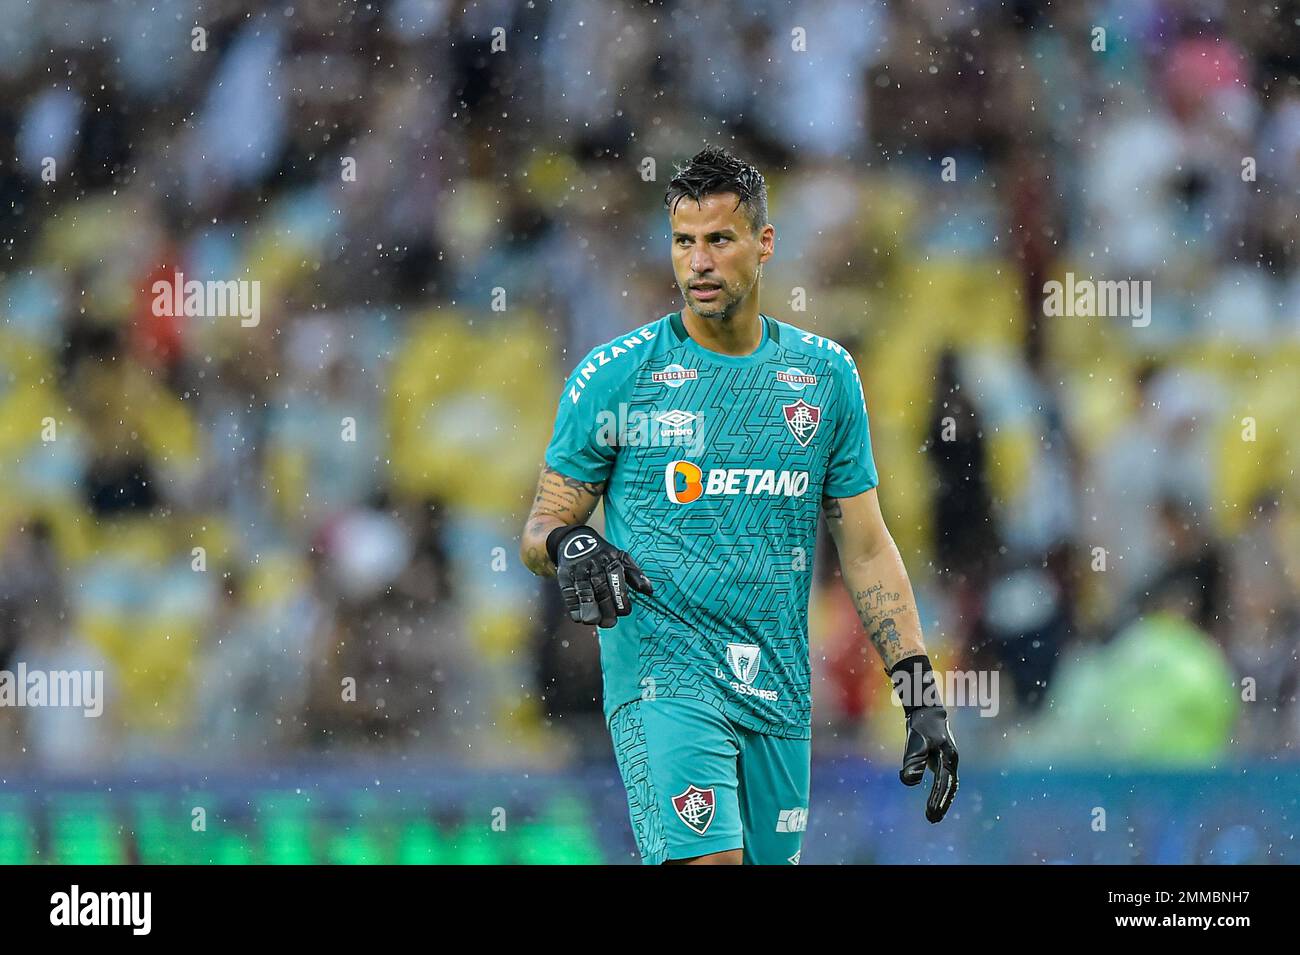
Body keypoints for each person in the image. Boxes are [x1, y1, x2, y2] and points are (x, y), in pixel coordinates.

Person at [520, 146, 957, 865]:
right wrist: (573, 545)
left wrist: (919, 693)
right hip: (664, 680)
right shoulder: (615, 377)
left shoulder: (823, 377)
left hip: (778, 688)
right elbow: (541, 528)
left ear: (764, 243)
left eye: (719, 240)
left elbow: (867, 546)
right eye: (683, 242)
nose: (698, 262)